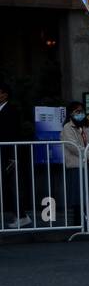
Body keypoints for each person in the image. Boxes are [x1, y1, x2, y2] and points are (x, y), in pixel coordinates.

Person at [0, 77, 33, 228]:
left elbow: (14, 133)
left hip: (10, 153)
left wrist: (13, 156)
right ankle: (18, 215)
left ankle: (22, 215)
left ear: (5, 95)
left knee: (13, 185)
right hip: (4, 153)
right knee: (7, 185)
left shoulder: (11, 111)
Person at [60, 102, 89, 225]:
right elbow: (73, 146)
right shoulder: (67, 128)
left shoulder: (86, 127)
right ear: (71, 113)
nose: (80, 114)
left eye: (81, 111)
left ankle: (87, 222)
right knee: (78, 196)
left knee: (88, 195)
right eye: (77, 111)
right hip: (76, 165)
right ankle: (78, 223)